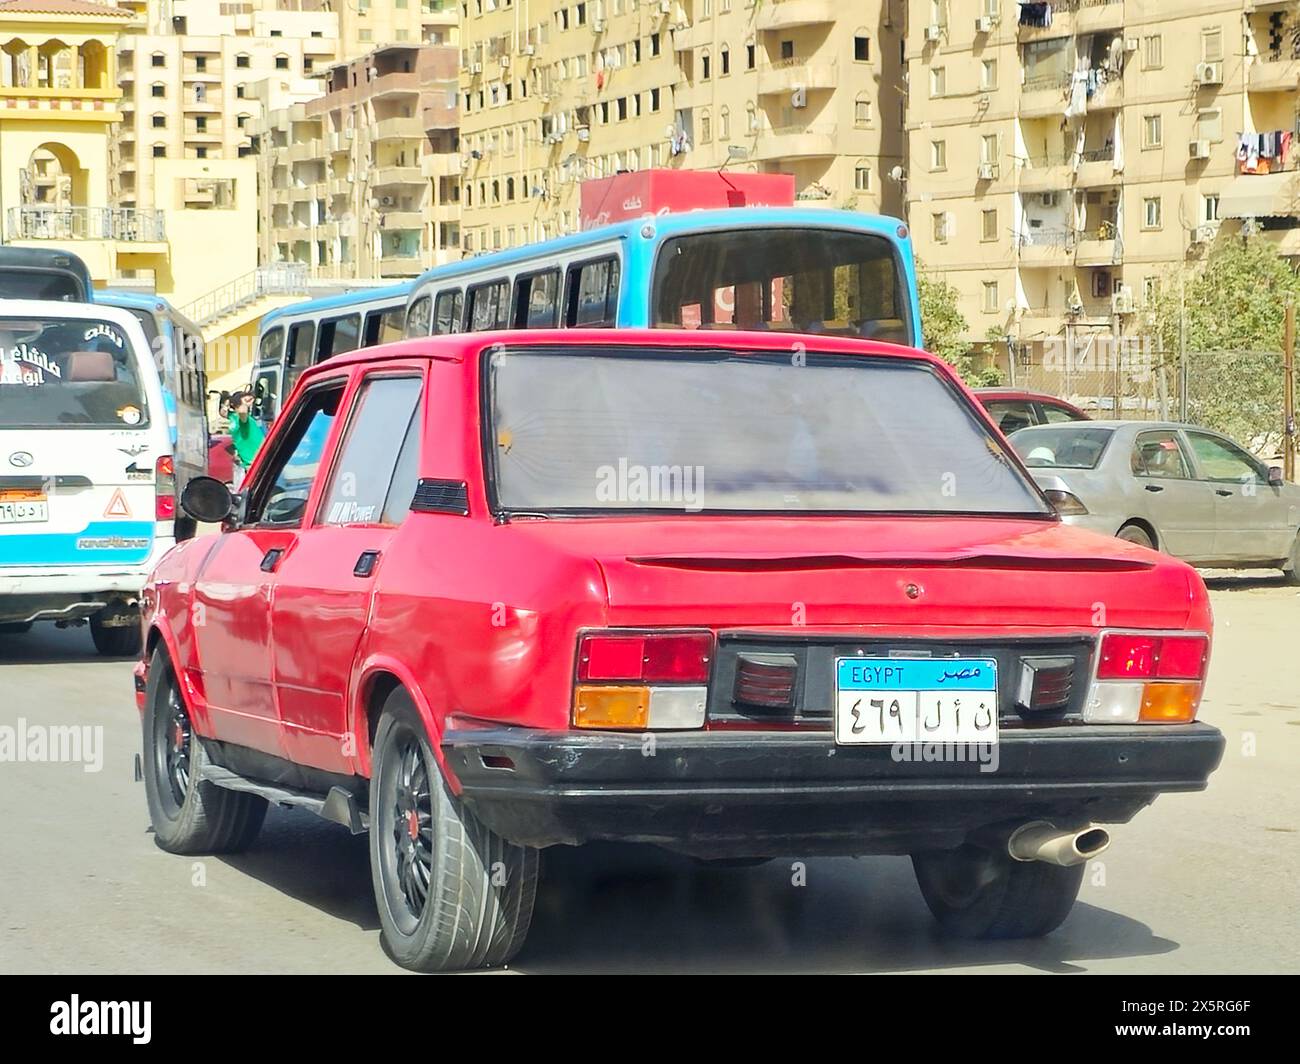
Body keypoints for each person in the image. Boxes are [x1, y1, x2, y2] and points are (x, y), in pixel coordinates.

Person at [227, 388, 265, 490]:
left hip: (252, 463)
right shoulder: (242, 419)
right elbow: (243, 413)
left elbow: (223, 412)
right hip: (258, 462)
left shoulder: (232, 419)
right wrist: (244, 403)